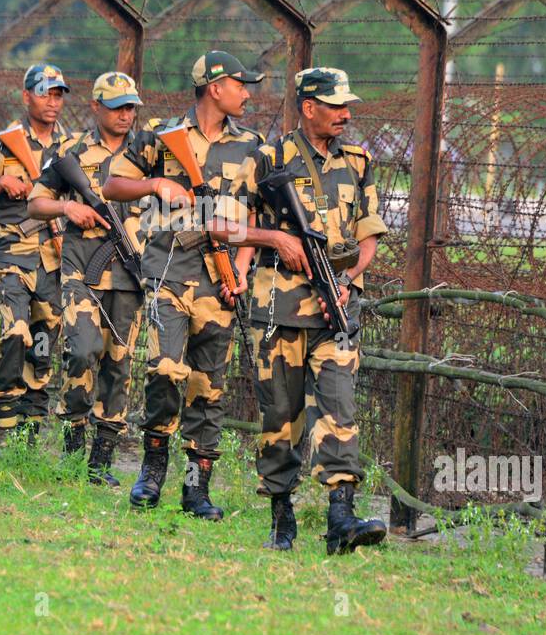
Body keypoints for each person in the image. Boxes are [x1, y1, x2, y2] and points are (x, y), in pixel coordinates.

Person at [208, 67, 387, 555]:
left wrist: (348, 280)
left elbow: (369, 235)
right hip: (279, 309)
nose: (346, 115)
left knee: (340, 408)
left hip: (336, 308)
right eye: (335, 106)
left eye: (347, 106)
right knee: (281, 419)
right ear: (309, 108)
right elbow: (223, 226)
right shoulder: (268, 158)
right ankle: (281, 519)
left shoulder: (358, 161)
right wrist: (276, 238)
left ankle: (341, 519)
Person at [101, 51, 262, 520]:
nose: (247, 93)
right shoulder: (161, 135)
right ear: (215, 87)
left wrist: (244, 269)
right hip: (168, 274)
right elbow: (111, 185)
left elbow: (255, 217)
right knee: (164, 371)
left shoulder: (251, 145)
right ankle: (152, 471)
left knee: (207, 389)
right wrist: (155, 185)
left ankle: (196, 491)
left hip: (221, 283)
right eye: (239, 84)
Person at [27, 72, 146, 485]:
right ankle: (73, 451)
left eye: (131, 107)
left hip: (131, 274)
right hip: (80, 268)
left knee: (119, 365)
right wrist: (67, 211)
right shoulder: (71, 151)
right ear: (96, 107)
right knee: (82, 351)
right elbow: (35, 202)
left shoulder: (148, 152)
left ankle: (101, 464)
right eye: (117, 107)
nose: (126, 115)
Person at [0, 64, 71, 447]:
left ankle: (27, 442)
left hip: (54, 263)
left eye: (58, 94)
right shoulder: (2, 144)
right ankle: (4, 437)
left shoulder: (70, 147)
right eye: (45, 93)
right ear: (26, 97)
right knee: (14, 336)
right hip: (13, 258)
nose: (53, 102)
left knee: (42, 351)